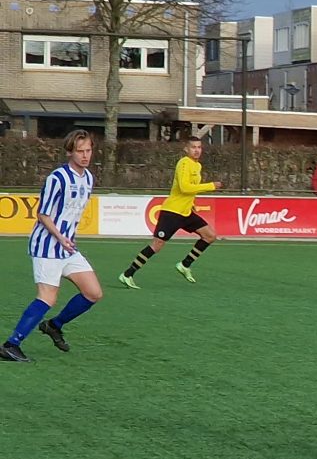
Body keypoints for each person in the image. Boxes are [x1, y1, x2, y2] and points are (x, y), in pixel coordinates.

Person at [3, 130, 103, 363]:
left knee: (93, 293)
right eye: (80, 151)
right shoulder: (57, 178)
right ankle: (11, 344)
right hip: (47, 245)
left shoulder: (88, 178)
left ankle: (53, 325)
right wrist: (60, 236)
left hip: (67, 246)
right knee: (47, 297)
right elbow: (43, 214)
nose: (85, 155)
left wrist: (68, 238)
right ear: (70, 152)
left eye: (88, 150)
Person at [119, 133, 220, 286]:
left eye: (199, 147)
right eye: (193, 147)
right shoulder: (184, 163)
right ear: (186, 149)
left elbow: (190, 190)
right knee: (157, 245)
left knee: (210, 235)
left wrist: (191, 202)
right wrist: (211, 186)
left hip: (185, 212)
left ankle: (185, 265)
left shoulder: (197, 165)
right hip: (172, 212)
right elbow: (185, 187)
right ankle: (127, 274)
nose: (197, 150)